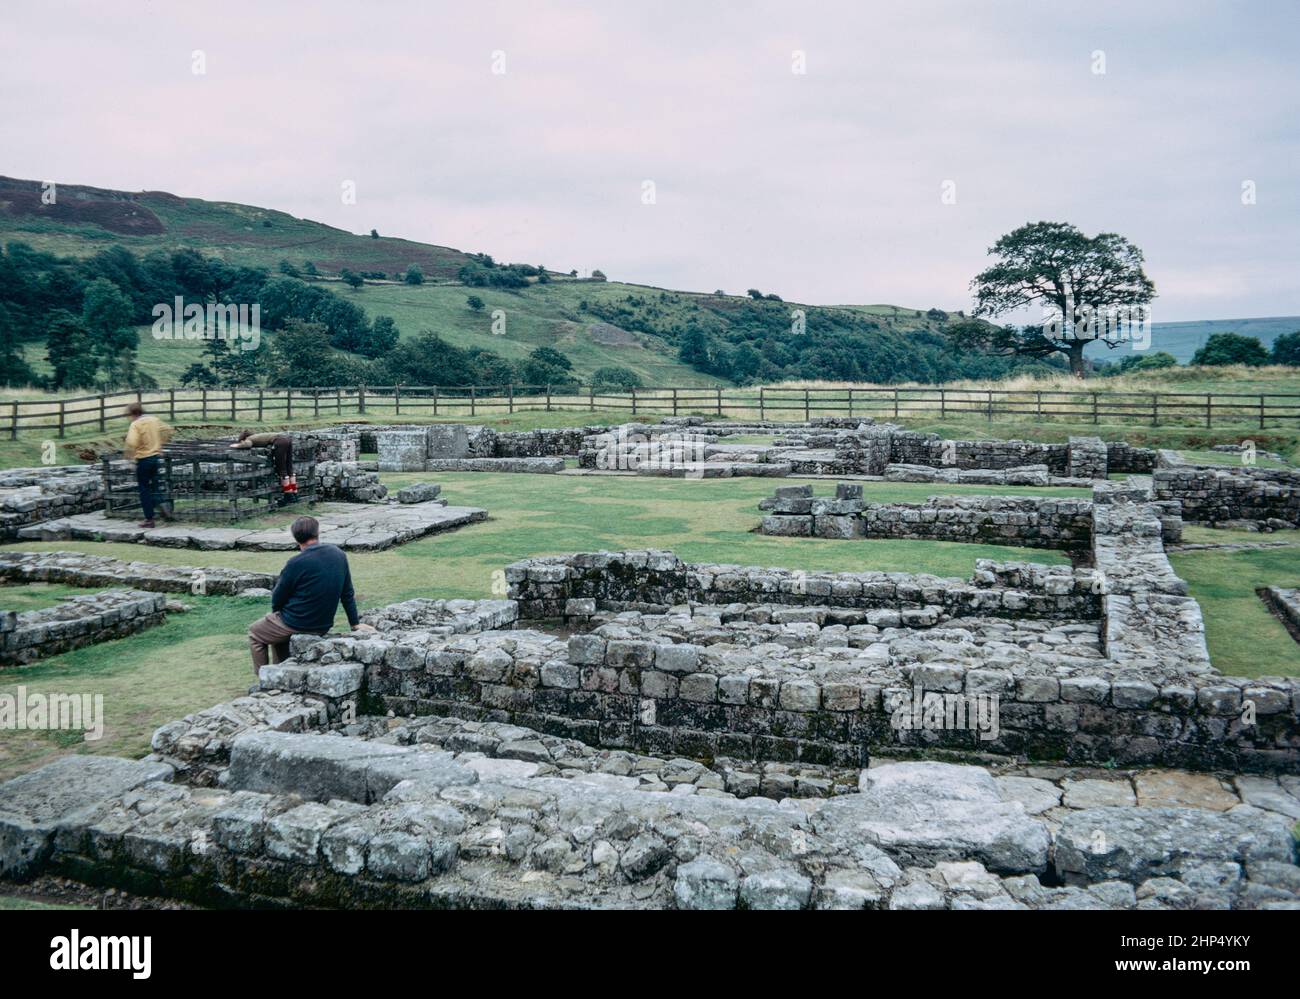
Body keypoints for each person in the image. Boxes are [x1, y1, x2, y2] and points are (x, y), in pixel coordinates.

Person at [247, 515, 374, 674]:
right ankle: (281, 672)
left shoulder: (296, 562)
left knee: (255, 634)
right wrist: (354, 623)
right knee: (276, 635)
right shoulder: (338, 554)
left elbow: (277, 596)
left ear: (296, 538)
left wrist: (277, 613)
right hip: (322, 624)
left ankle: (262, 678)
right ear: (317, 533)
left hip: (298, 622)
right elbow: (347, 592)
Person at [122, 402, 174, 528]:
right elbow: (168, 429)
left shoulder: (135, 424)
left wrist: (129, 459)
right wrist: (160, 444)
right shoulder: (154, 420)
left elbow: (131, 443)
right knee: (155, 486)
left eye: (129, 415)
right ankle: (162, 505)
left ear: (133, 414)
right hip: (155, 457)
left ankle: (149, 519)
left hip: (143, 459)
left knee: (144, 489)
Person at [231, 430, 298, 505]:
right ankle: (294, 494)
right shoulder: (258, 436)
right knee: (289, 467)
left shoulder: (249, 439)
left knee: (281, 468)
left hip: (280, 442)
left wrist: (235, 445)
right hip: (287, 439)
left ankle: (288, 495)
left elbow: (247, 445)